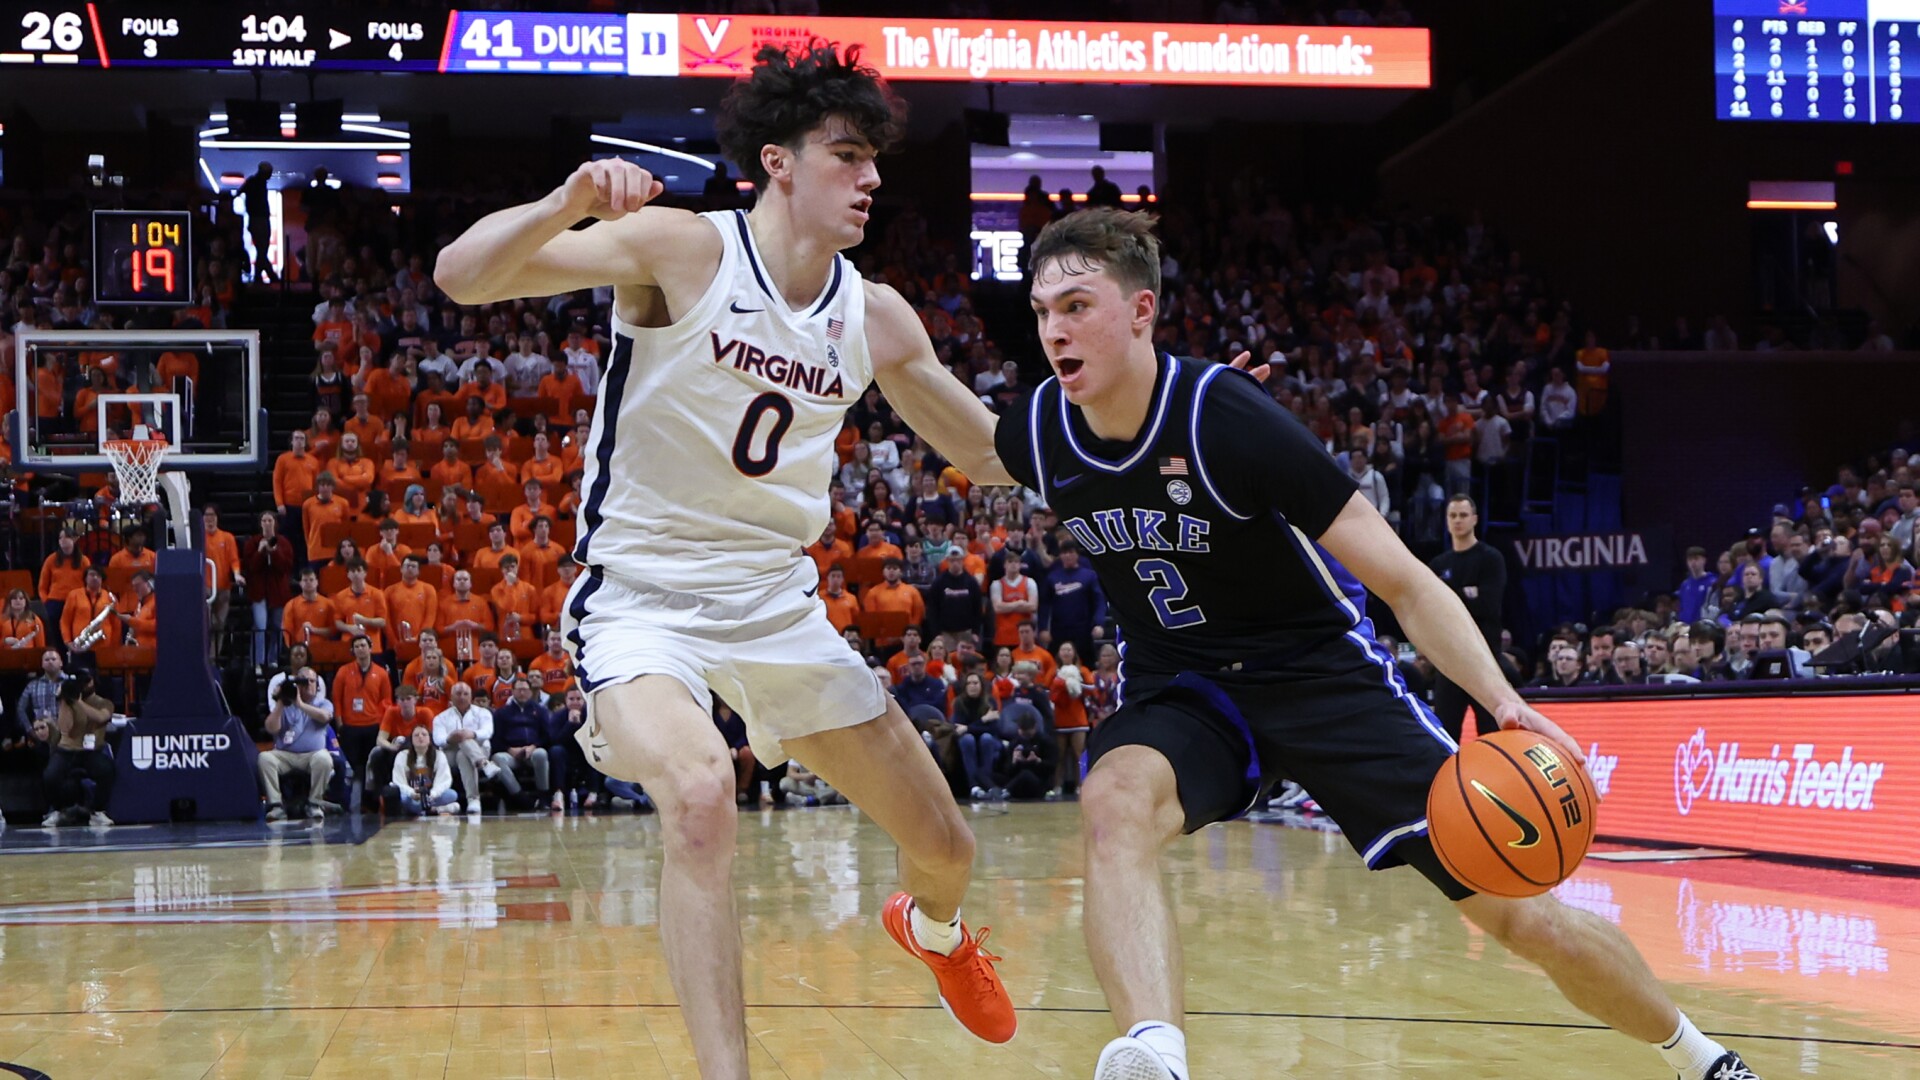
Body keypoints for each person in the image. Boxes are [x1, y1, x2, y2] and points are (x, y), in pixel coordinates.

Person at [878, 207, 1759, 1080]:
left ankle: (1703, 1060)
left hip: (1318, 675)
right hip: (1186, 688)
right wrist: (875, 340)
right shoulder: (1044, 427)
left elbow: (1407, 580)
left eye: (1077, 305)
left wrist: (1504, 703)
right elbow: (971, 438)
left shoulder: (1227, 418)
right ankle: (1156, 1059)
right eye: (1040, 311)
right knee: (1112, 803)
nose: (1054, 329)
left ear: (1142, 310)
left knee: (1522, 917)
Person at [435, 43, 1015, 1071]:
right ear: (780, 162)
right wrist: (569, 197)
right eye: (847, 154)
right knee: (702, 790)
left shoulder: (873, 318)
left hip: (779, 611)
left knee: (946, 849)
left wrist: (1145, 440)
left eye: (876, 158)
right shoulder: (684, 250)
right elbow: (461, 276)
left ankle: (932, 931)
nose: (872, 177)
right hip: (642, 602)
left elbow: (983, 451)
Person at [1427, 494, 1508, 740]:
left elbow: (1488, 605)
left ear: (1474, 519)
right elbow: (1432, 611)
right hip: (1449, 663)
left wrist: (1451, 597)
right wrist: (1467, 594)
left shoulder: (1490, 558)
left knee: (1491, 735)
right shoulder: (1438, 564)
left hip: (1484, 661)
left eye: (1463, 515)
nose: (1458, 520)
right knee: (1444, 737)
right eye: (1452, 515)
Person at [259, 667, 335, 821]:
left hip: (312, 754)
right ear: (296, 684)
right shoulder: (286, 704)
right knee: (265, 758)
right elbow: (271, 728)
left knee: (324, 759)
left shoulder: (322, 703)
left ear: (317, 685)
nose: (308, 684)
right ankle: (276, 806)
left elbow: (325, 717)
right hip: (285, 755)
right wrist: (281, 701)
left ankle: (314, 804)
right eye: (303, 681)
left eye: (312, 681)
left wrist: (300, 704)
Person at [43, 668, 116, 827]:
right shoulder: (68, 701)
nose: (85, 685)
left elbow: (101, 716)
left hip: (92, 751)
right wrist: (64, 700)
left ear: (93, 682)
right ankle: (57, 811)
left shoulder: (103, 702)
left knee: (106, 771)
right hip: (67, 751)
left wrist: (78, 701)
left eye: (88, 680)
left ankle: (98, 812)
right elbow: (65, 729)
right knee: (50, 776)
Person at [384, 724, 459, 817]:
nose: (420, 737)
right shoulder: (402, 756)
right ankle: (433, 810)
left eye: (424, 734)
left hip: (432, 796)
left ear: (429, 739)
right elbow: (398, 781)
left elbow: (444, 780)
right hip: (411, 796)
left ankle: (428, 810)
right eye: (416, 735)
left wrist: (432, 794)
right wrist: (412, 793)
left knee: (452, 795)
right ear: (411, 739)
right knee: (403, 799)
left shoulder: (439, 755)